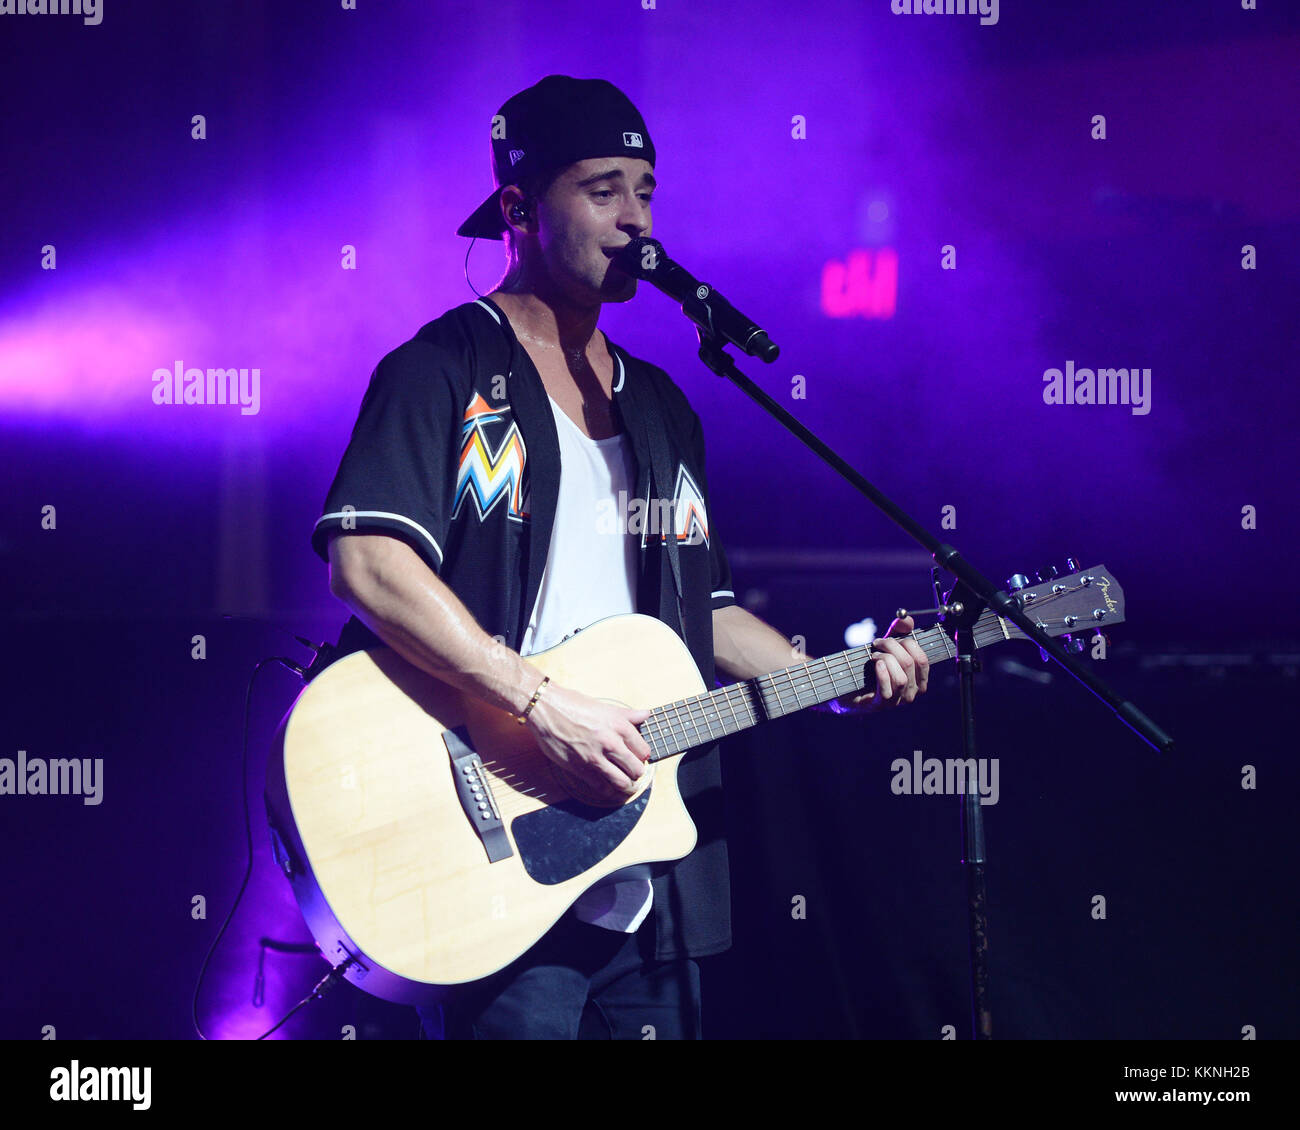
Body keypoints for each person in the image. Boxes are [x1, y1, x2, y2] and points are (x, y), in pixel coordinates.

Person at [310, 75, 929, 1040]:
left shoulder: (660, 409)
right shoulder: (440, 370)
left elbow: (704, 611)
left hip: (639, 867)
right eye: (602, 190)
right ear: (519, 208)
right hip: (495, 855)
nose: (635, 218)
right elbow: (369, 563)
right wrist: (539, 703)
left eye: (645, 190)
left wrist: (831, 681)